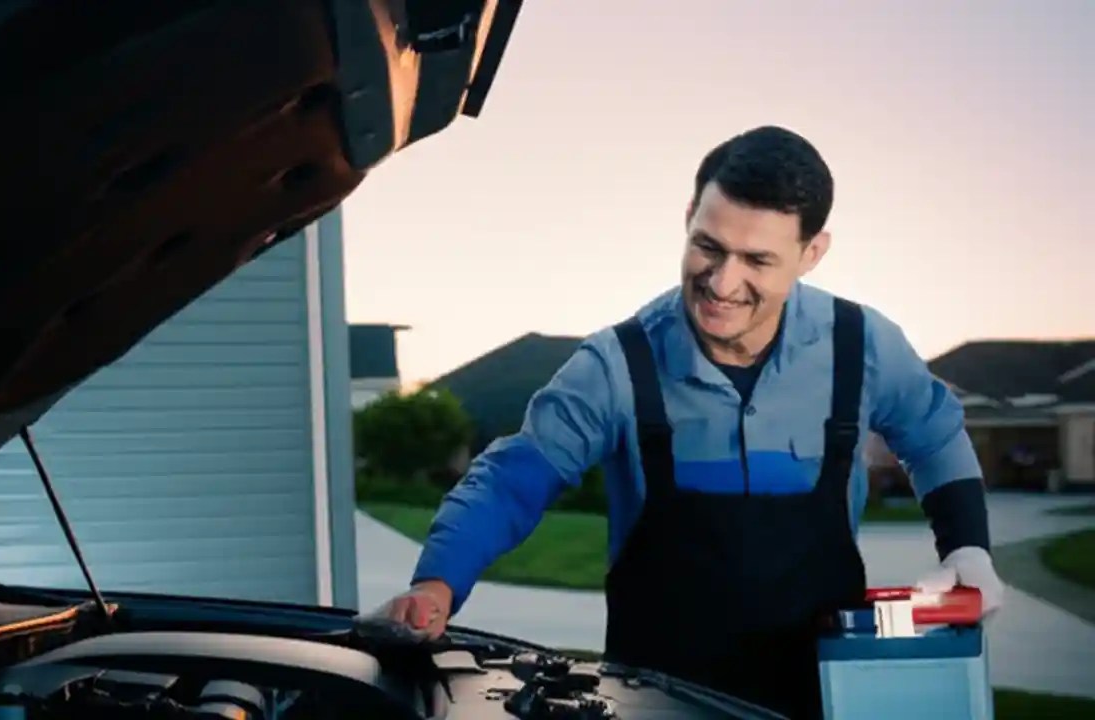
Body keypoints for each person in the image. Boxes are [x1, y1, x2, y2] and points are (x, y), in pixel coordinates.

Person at [364, 125, 1005, 718]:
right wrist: (438, 584)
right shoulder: (618, 363)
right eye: (708, 246)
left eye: (757, 261)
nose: (722, 283)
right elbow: (514, 479)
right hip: (654, 698)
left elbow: (935, 436)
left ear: (812, 252)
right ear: (688, 219)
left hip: (822, 692)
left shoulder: (859, 345)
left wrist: (968, 550)